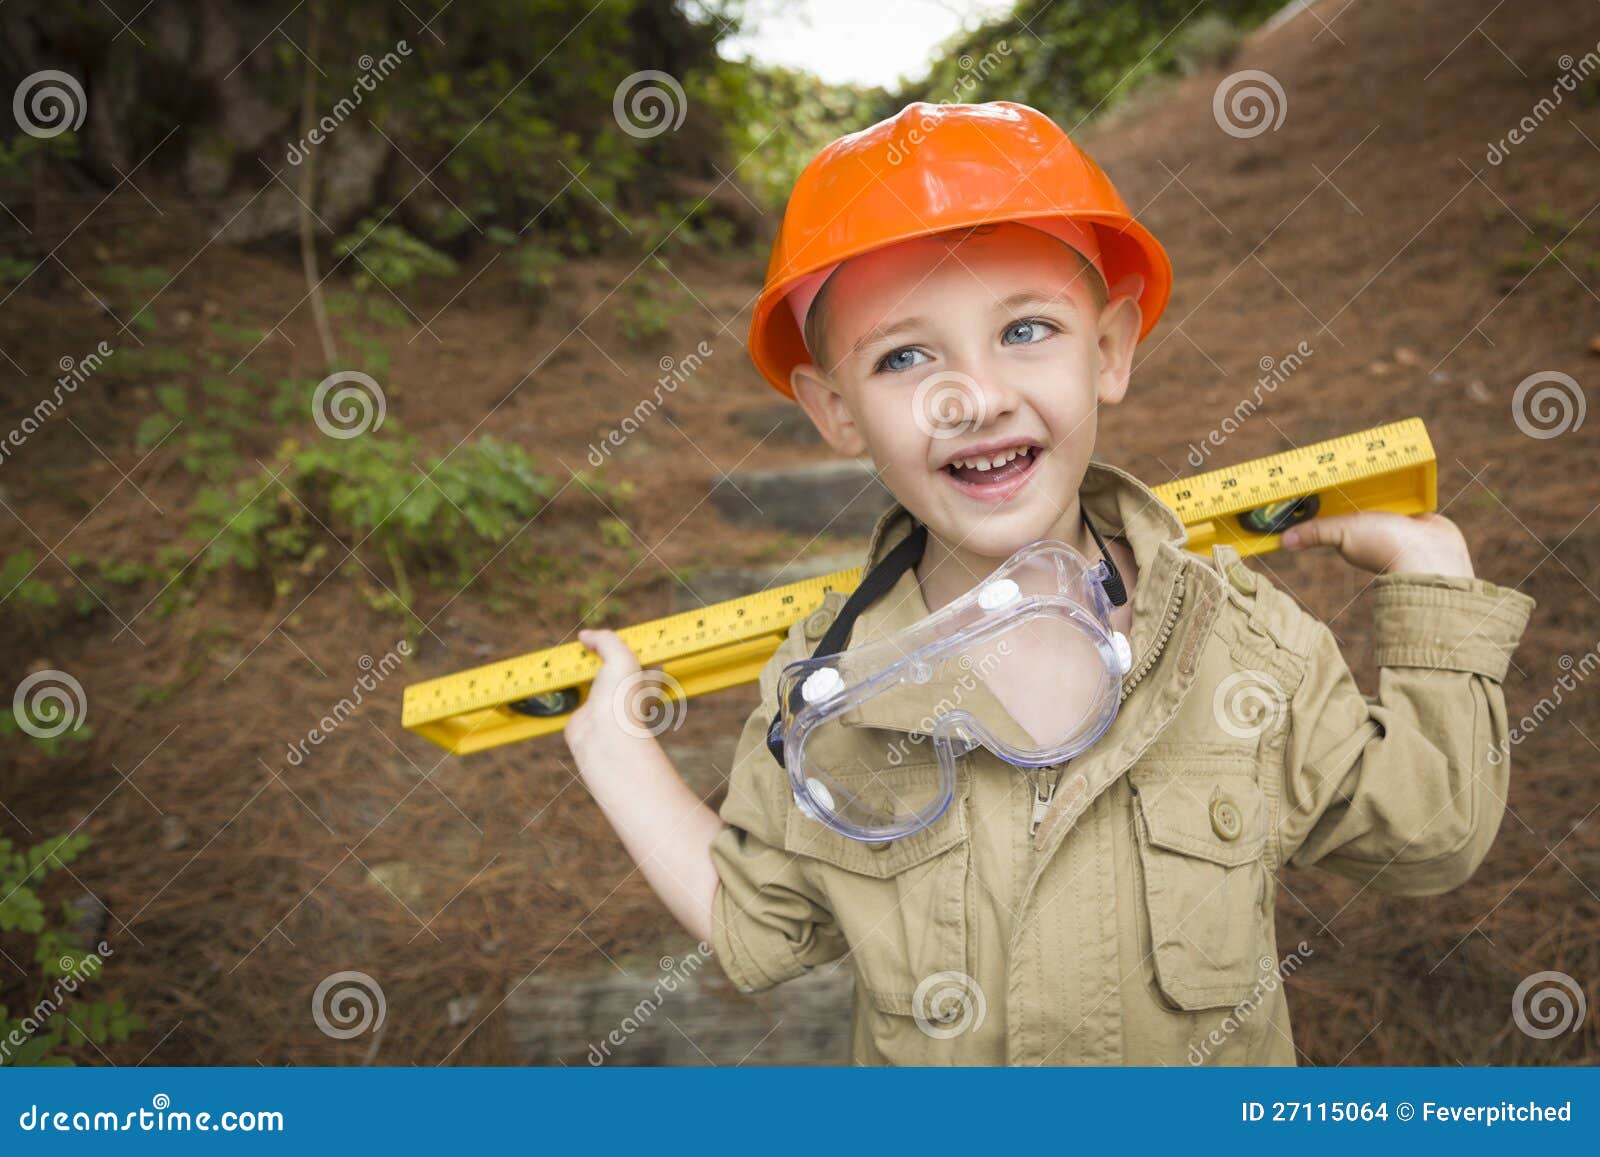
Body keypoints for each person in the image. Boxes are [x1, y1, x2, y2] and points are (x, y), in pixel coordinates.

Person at [561, 101, 1537, 1065]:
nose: (973, 396)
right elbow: (758, 925)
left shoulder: (1228, 635)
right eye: (904, 356)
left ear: (1107, 350)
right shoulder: (828, 683)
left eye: (1026, 330)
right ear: (834, 412)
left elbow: (1428, 832)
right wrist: (613, 748)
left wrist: (1433, 594)